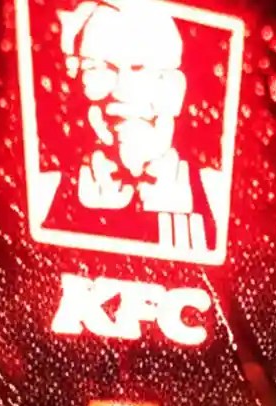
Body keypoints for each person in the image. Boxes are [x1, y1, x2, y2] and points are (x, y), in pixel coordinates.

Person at [33, 0, 222, 256]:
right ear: (76, 86)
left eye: (141, 69)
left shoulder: (217, 196)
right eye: (98, 69)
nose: (123, 90)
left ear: (175, 90)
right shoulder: (41, 198)